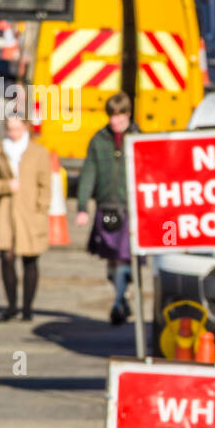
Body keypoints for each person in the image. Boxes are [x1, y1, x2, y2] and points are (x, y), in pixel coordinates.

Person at [0, 100, 50, 322]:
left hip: (30, 212)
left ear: (26, 128)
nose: (12, 133)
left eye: (17, 129)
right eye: (9, 129)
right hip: (6, 212)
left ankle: (28, 308)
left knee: (30, 259)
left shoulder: (38, 152)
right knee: (6, 257)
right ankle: (11, 305)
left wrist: (42, 209)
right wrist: (6, 187)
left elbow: (45, 184)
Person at [76, 91, 138, 325]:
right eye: (112, 117)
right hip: (106, 207)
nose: (115, 122)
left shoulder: (137, 137)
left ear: (128, 115)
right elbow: (88, 174)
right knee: (112, 260)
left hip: (130, 209)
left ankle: (118, 301)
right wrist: (82, 207)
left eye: (120, 117)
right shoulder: (99, 140)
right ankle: (122, 293)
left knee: (124, 258)